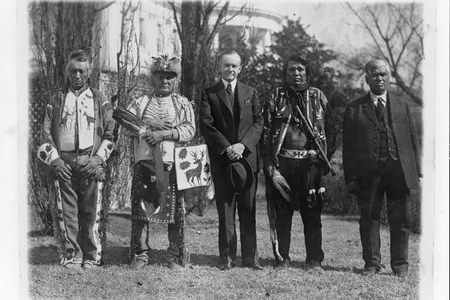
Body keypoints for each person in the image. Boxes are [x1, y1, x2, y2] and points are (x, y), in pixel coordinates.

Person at [37, 50, 115, 269]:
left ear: (89, 72)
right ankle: (72, 255)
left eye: (82, 71)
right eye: (73, 70)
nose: (77, 75)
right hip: (65, 164)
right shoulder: (57, 100)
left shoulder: (99, 99)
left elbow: (111, 132)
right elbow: (44, 134)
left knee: (92, 212)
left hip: (91, 162)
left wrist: (98, 159)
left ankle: (92, 256)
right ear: (66, 73)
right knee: (68, 211)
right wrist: (56, 161)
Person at [343, 59, 421, 278]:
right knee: (369, 219)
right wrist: (351, 177)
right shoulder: (354, 109)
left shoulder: (402, 104)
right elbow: (347, 148)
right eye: (375, 74)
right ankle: (372, 264)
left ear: (389, 78)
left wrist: (418, 172)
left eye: (384, 74)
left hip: (399, 172)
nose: (380, 78)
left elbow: (413, 140)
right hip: (369, 174)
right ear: (367, 78)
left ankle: (400, 264)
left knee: (401, 220)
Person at [263, 54, 336, 271]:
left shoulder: (318, 97)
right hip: (282, 164)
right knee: (282, 214)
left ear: (307, 73)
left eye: (300, 70)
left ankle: (314, 259)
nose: (296, 73)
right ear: (285, 74)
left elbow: (331, 131)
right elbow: (266, 133)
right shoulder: (276, 96)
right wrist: (269, 164)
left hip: (311, 165)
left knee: (312, 213)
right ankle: (282, 258)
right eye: (291, 70)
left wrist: (325, 158)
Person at [125, 55, 196, 270]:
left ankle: (174, 255)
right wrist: (148, 126)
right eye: (160, 76)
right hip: (144, 163)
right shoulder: (140, 102)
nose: (164, 81)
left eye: (170, 77)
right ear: (152, 78)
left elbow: (189, 129)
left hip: (171, 165)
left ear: (176, 79)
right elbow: (126, 125)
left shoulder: (182, 103)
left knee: (174, 212)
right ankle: (140, 254)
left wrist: (165, 133)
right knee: (140, 212)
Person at [199, 51, 264, 270]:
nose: (231, 69)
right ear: (220, 67)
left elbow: (259, 123)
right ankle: (226, 258)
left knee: (248, 209)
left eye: (234, 66)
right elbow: (207, 125)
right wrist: (228, 148)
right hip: (223, 161)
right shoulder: (209, 94)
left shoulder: (250, 92)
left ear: (240, 68)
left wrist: (242, 146)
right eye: (226, 65)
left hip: (247, 161)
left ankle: (250, 258)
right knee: (226, 211)